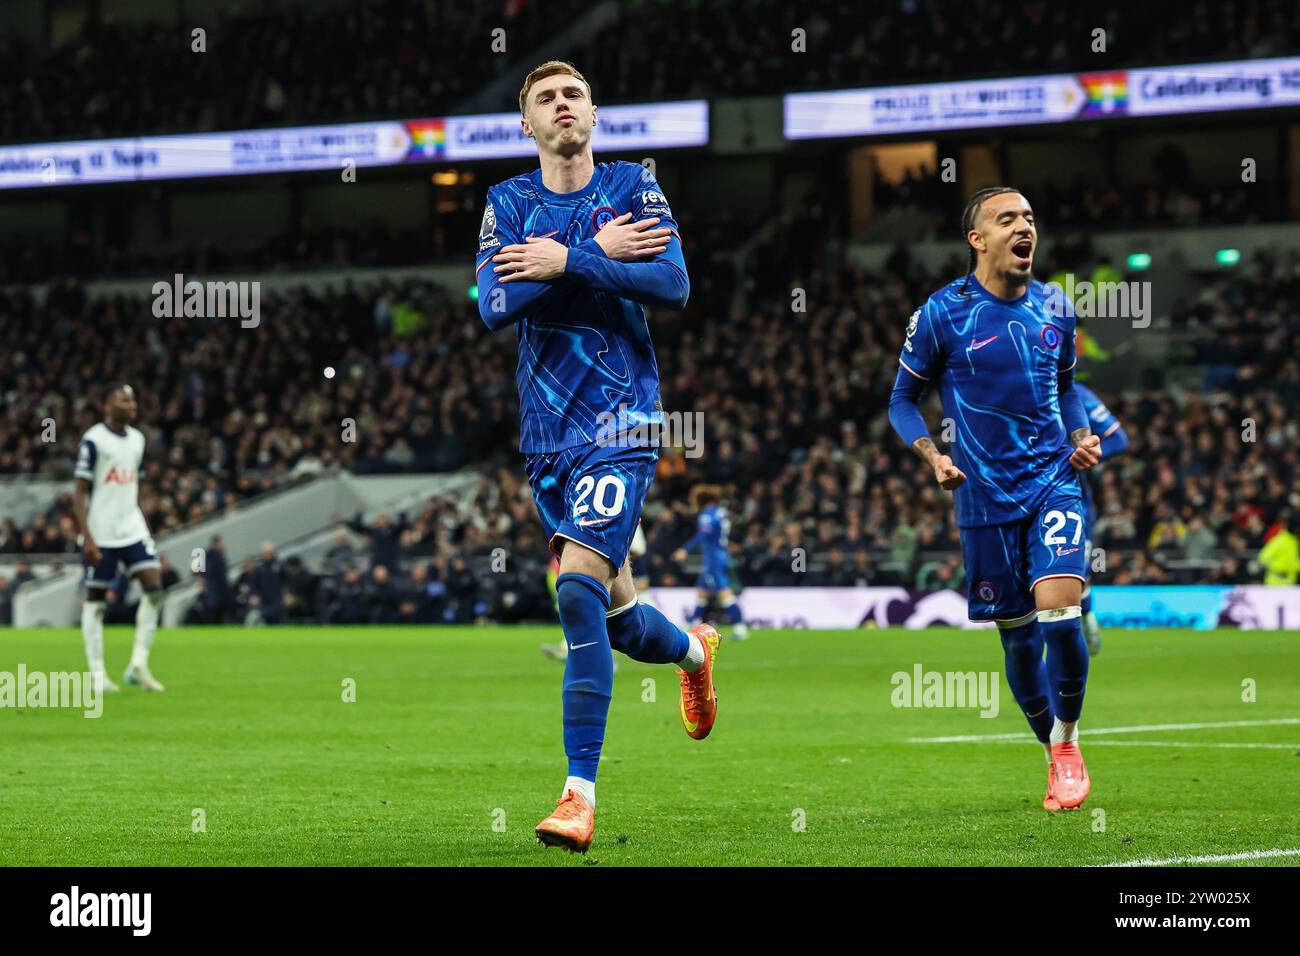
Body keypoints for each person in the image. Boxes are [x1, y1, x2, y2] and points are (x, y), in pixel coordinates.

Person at [476, 60, 717, 853]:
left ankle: (579, 794)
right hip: (547, 434)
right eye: (545, 98)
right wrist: (593, 252)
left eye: (573, 93)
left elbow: (674, 285)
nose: (562, 104)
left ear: (594, 112)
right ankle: (692, 650)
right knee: (614, 619)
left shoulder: (634, 188)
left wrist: (567, 258)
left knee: (574, 586)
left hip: (625, 421)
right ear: (527, 125)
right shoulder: (506, 203)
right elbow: (495, 305)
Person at [888, 186, 1101, 812]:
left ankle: (1068, 745)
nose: (1023, 226)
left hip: (1053, 481)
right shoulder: (942, 314)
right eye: (1007, 218)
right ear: (977, 239)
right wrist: (933, 455)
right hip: (982, 499)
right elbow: (902, 398)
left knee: (1061, 614)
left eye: (1030, 217)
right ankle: (1052, 753)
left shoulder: (1056, 307)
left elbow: (1067, 388)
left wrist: (1082, 433)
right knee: (1017, 639)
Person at [73, 383, 165, 692]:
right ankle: (97, 673)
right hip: (101, 532)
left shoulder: (138, 440)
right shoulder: (94, 441)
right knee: (96, 602)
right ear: (106, 405)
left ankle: (138, 663)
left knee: (154, 589)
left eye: (133, 398)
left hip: (132, 528)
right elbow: (80, 491)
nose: (131, 404)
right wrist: (86, 537)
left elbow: (131, 486)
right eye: (124, 399)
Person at [1074, 383, 1129, 655]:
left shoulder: (1076, 394)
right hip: (1022, 500)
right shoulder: (1016, 390)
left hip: (1072, 502)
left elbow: (1119, 440)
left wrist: (1081, 458)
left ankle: (1085, 614)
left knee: (1074, 575)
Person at [673, 485, 748, 640]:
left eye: (694, 498)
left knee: (724, 593)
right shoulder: (720, 512)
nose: (692, 501)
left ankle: (740, 626)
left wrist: (685, 549)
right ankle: (690, 624)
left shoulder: (707, 514)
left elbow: (703, 535)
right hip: (719, 555)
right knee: (702, 593)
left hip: (713, 558)